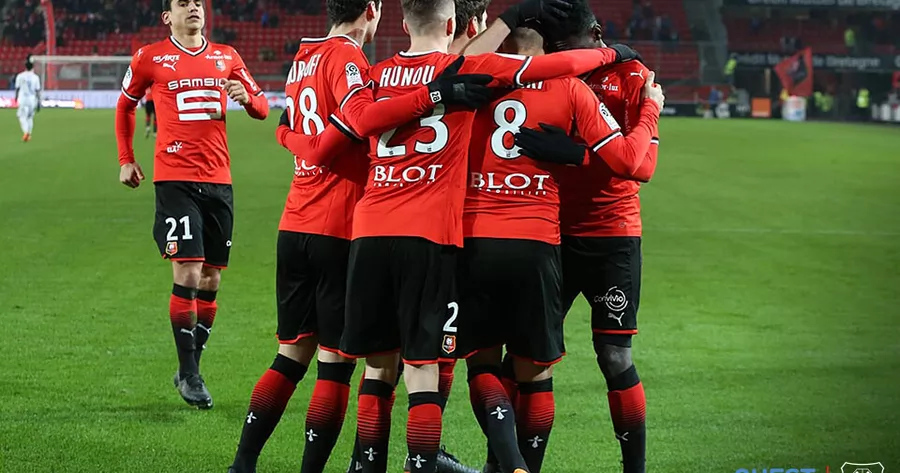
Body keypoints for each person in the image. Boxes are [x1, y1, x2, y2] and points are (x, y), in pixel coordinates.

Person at [334, 0, 638, 469]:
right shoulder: (565, 86)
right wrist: (615, 59)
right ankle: (519, 468)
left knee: (442, 364)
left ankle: (372, 461)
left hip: (445, 235)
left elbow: (351, 125)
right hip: (535, 240)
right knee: (531, 375)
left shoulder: (464, 73)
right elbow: (632, 163)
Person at [228, 0, 494, 470]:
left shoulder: (303, 57)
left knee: (290, 356)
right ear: (371, 9)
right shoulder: (349, 58)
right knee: (339, 366)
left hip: (294, 224)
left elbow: (301, 130)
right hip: (340, 224)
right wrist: (434, 94)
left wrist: (286, 138)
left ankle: (243, 463)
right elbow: (355, 124)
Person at [460, 24, 663, 473]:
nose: (558, 53)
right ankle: (504, 468)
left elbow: (638, 162)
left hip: (613, 234)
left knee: (614, 355)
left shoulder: (632, 77)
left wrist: (577, 154)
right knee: (525, 359)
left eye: (565, 46)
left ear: (593, 35)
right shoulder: (547, 75)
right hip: (552, 235)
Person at [114, 0, 269, 409]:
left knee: (211, 281)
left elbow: (263, 108)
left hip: (219, 181)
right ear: (168, 16)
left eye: (198, 2)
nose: (193, 7)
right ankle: (192, 375)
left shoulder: (228, 57)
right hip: (174, 179)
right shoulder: (149, 57)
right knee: (189, 268)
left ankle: (188, 367)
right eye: (183, 3)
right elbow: (125, 105)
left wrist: (247, 99)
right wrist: (126, 159)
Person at [15, 59, 41, 142]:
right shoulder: (36, 77)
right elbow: (37, 91)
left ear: (25, 67)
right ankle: (29, 133)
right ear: (32, 67)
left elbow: (17, 88)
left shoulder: (20, 76)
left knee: (21, 116)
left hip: (23, 99)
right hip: (32, 99)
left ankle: (26, 133)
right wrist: (39, 102)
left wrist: (16, 97)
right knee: (30, 117)